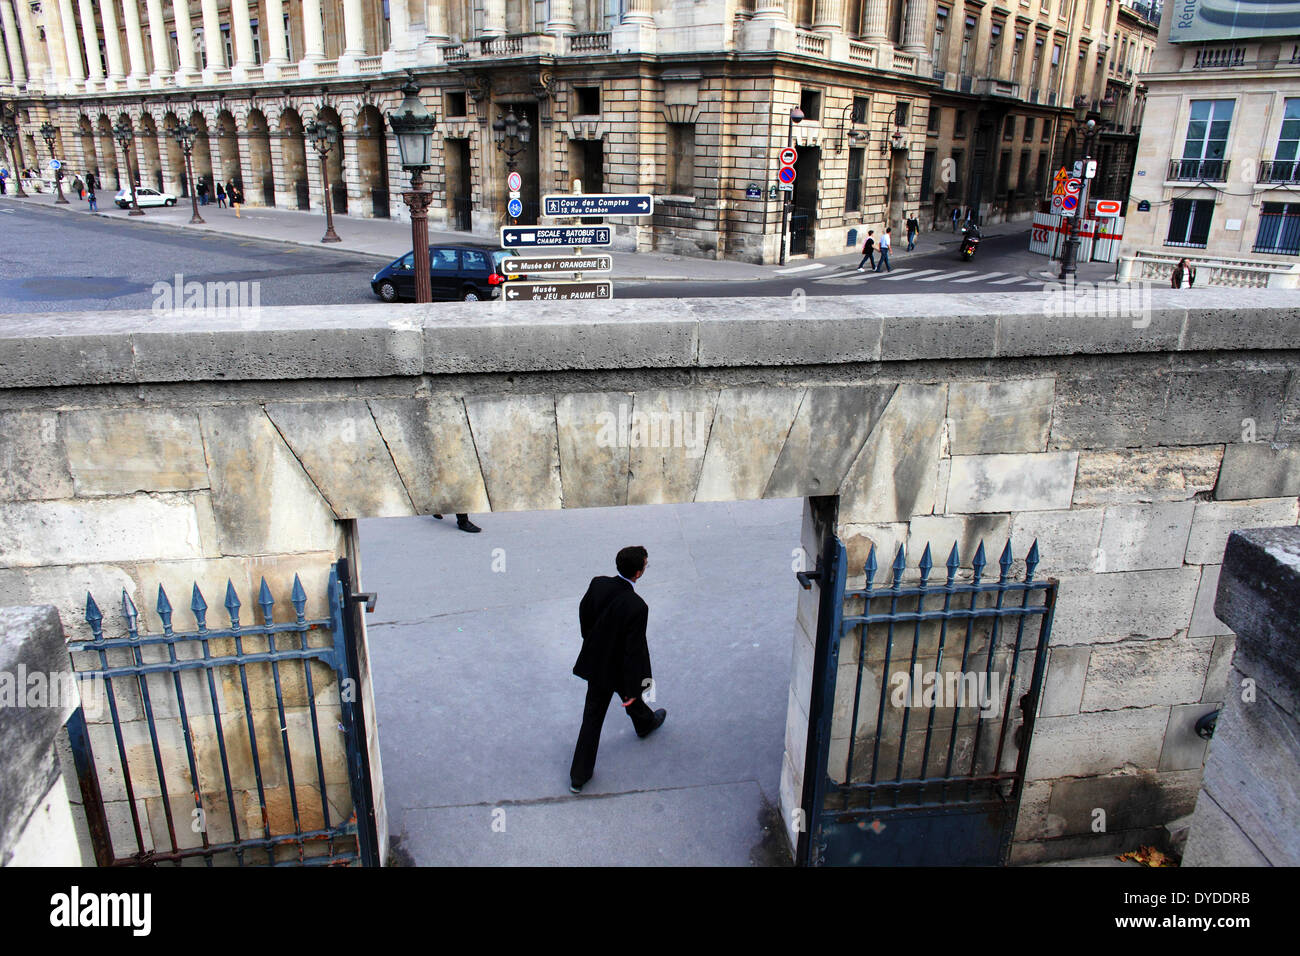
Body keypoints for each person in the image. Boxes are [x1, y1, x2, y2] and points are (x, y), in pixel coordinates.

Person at [568, 545, 666, 794]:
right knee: (613, 705)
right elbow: (634, 651)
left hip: (597, 663)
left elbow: (584, 613)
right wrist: (636, 687)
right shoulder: (637, 606)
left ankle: (579, 776)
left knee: (593, 716)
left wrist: (590, 641)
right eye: (645, 564)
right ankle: (643, 724)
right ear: (638, 573)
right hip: (615, 669)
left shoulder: (598, 583)